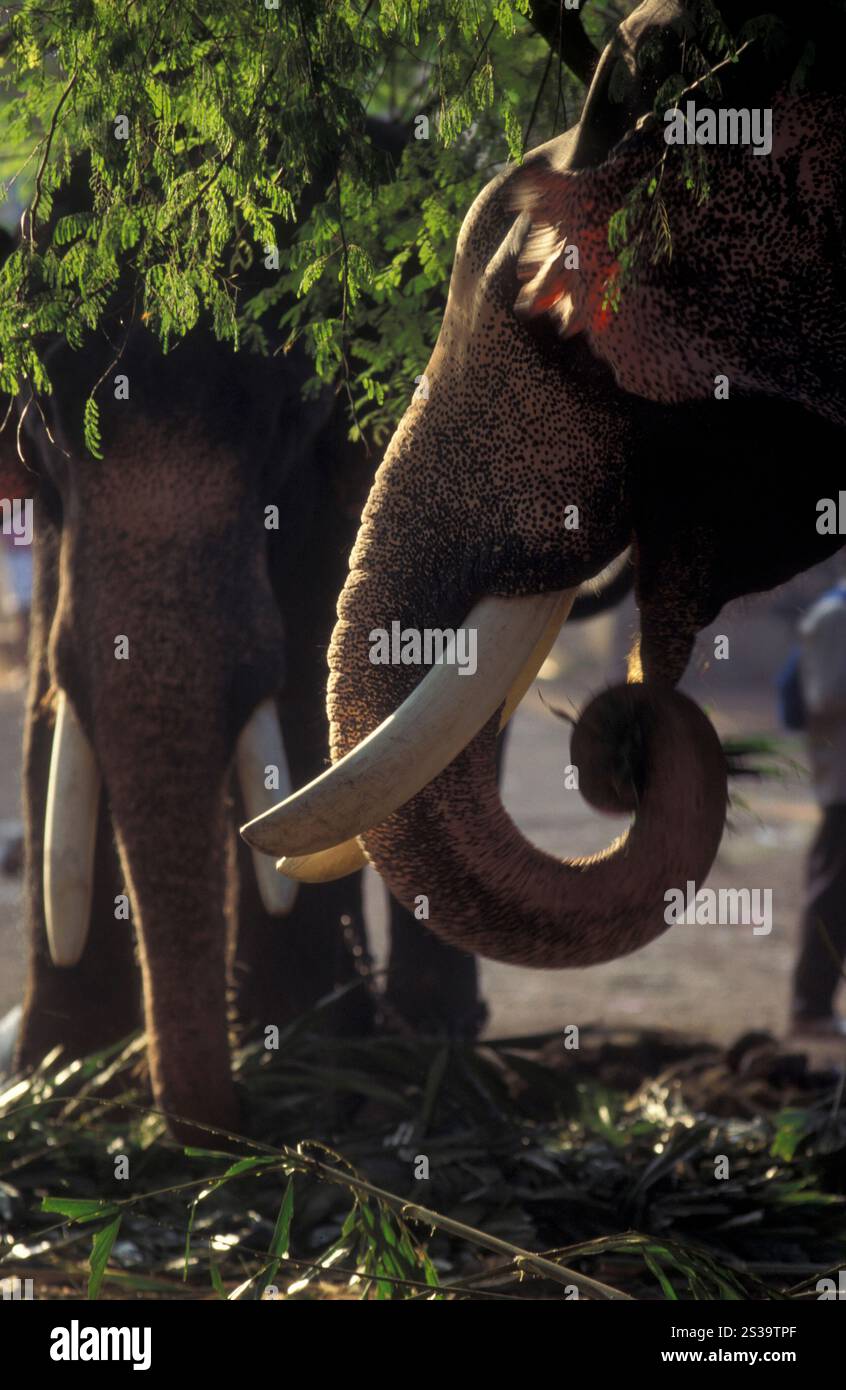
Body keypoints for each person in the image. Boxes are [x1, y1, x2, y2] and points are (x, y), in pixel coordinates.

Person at [788, 559, 846, 1038]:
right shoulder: (834, 617)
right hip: (842, 780)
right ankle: (810, 1008)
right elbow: (825, 697)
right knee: (832, 895)